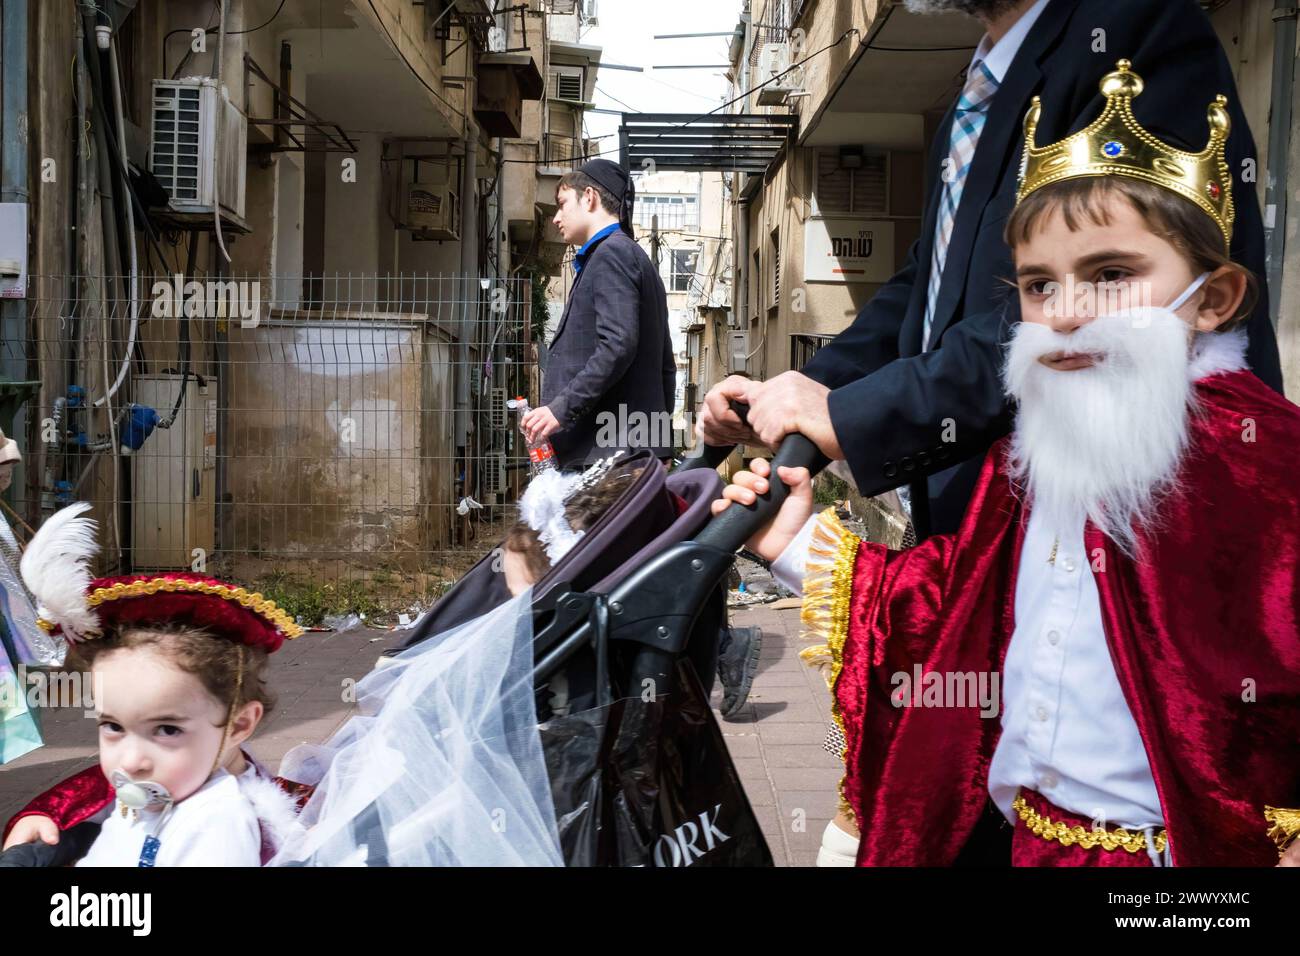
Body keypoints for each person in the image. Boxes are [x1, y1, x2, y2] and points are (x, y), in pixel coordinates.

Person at [711, 61, 1300, 867]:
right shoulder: (1034, 454)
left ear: (1213, 298)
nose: (1065, 315)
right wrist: (791, 540)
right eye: (1037, 285)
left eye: (1111, 276)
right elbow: (948, 617)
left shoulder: (1270, 468)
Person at [696, 0, 1283, 543]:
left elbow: (1091, 316)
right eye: (1034, 282)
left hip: (1116, 525)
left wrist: (850, 415)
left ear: (1220, 298)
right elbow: (923, 288)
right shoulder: (976, 94)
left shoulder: (1137, 30)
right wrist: (804, 393)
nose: (1061, 303)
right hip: (979, 536)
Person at [1, 503, 300, 866]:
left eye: (168, 730)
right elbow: (96, 803)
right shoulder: (167, 783)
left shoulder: (218, 825)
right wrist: (46, 815)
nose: (130, 761)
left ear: (238, 724)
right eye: (112, 726)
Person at [523, 159, 677, 469]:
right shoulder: (636, 259)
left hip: (608, 457)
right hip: (630, 452)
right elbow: (666, 367)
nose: (556, 218)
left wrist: (560, 410)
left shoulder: (611, 254)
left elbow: (618, 344)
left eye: (562, 204)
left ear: (589, 197)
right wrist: (653, 437)